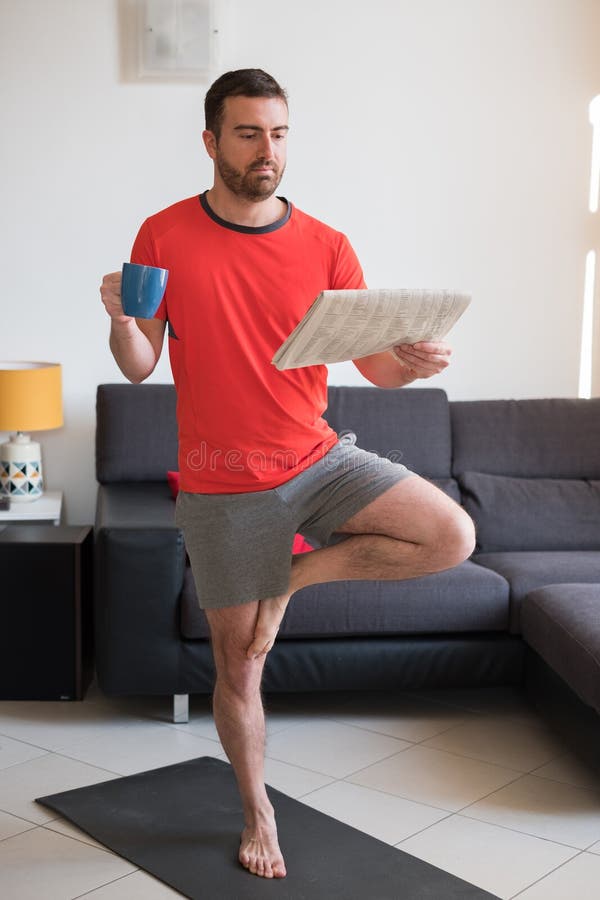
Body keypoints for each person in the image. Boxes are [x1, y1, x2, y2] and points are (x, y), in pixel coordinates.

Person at [100, 68, 476, 881]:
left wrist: (414, 362)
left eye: (277, 134)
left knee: (451, 534)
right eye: (247, 133)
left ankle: (293, 581)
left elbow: (376, 369)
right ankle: (257, 808)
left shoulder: (327, 244)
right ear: (211, 142)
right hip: (223, 481)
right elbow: (139, 365)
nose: (266, 151)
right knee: (239, 667)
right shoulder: (162, 234)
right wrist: (122, 322)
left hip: (318, 457)